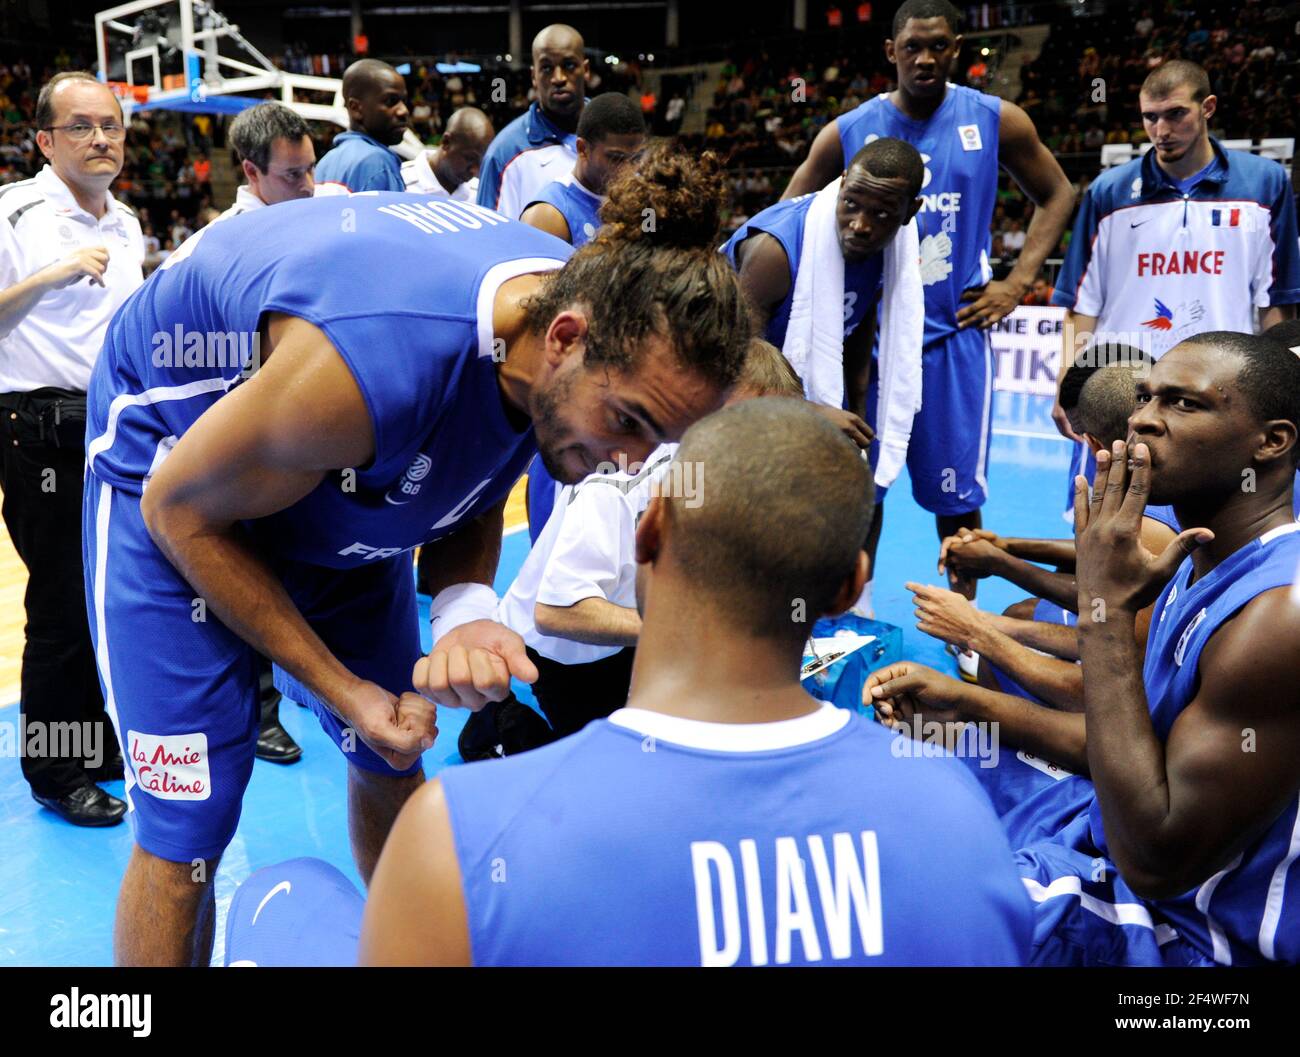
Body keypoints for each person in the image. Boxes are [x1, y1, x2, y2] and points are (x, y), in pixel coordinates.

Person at [84, 160, 751, 966]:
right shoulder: (366, 368)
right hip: (176, 473)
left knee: (395, 744)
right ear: (565, 341)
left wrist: (465, 610)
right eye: (629, 421)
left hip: (327, 458)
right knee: (189, 820)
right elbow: (177, 512)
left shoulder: (557, 329)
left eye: (657, 442)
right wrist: (342, 687)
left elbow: (477, 470)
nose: (626, 461)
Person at [226, 400, 1034, 967]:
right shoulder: (958, 817)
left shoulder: (462, 832)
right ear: (853, 586)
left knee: (282, 894)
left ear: (648, 530)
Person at [871, 332, 1300, 966]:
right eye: (1149, 396)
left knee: (892, 912)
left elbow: (1158, 859)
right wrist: (965, 704)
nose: (1145, 417)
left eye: (1184, 403)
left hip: (1194, 938)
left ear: (1271, 441)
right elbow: (1126, 744)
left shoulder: (1277, 615)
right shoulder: (1200, 560)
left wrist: (1104, 609)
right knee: (909, 786)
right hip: (1116, 850)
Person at [782, 0, 1075, 604]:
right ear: (891, 51)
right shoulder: (848, 130)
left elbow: (1058, 193)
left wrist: (1017, 284)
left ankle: (963, 624)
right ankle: (849, 613)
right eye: (913, 46)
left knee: (958, 503)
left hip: (951, 340)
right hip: (864, 352)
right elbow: (788, 216)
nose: (925, 58)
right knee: (858, 494)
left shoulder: (997, 120)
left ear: (957, 49)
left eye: (938, 45)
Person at [1049, 59, 1300, 503]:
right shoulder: (1108, 192)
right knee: (1107, 527)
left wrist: (1282, 394)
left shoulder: (1264, 185)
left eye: (1175, 114)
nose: (1161, 129)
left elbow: (1276, 305)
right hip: (1123, 392)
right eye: (1150, 117)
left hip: (1221, 396)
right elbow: (1081, 306)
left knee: (1217, 527)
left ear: (1207, 107)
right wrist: (1066, 387)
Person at [0, 71, 144, 826]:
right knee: (59, 600)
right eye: (82, 126)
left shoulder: (126, 224)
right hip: (39, 427)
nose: (101, 139)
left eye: (112, 125)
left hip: (109, 428)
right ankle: (56, 769)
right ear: (46, 140)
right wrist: (49, 277)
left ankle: (91, 745)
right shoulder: (16, 212)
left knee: (101, 595)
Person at [166, 100, 326, 764]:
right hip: (242, 437)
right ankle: (256, 712)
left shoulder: (317, 219)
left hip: (307, 431)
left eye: (312, 169)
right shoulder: (211, 248)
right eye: (294, 175)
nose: (310, 185)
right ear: (251, 172)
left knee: (309, 565)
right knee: (246, 574)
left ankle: (314, 681)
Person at [725, 136, 923, 614]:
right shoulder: (776, 253)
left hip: (781, 400)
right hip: (714, 394)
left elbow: (854, 335)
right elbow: (727, 364)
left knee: (863, 474)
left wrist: (852, 412)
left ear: (909, 213)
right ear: (840, 187)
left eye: (881, 214)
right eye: (852, 204)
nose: (861, 224)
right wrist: (812, 413)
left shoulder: (887, 252)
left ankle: (852, 604)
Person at [477, 24, 588, 218]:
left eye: (569, 65)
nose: (558, 78)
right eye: (546, 68)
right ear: (533, 76)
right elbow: (489, 241)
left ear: (585, 70)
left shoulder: (616, 133)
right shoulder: (504, 153)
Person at [520, 92, 645, 247]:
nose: (628, 170)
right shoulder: (547, 216)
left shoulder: (638, 201)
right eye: (616, 158)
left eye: (635, 158)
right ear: (583, 149)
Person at [314, 59, 409, 193]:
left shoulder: (324, 163)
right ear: (356, 108)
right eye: (390, 101)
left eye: (404, 101)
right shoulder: (378, 163)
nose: (403, 110)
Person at [400, 106, 494, 200]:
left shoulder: (480, 195)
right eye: (470, 158)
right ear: (446, 142)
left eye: (481, 163)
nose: (475, 171)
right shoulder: (400, 182)